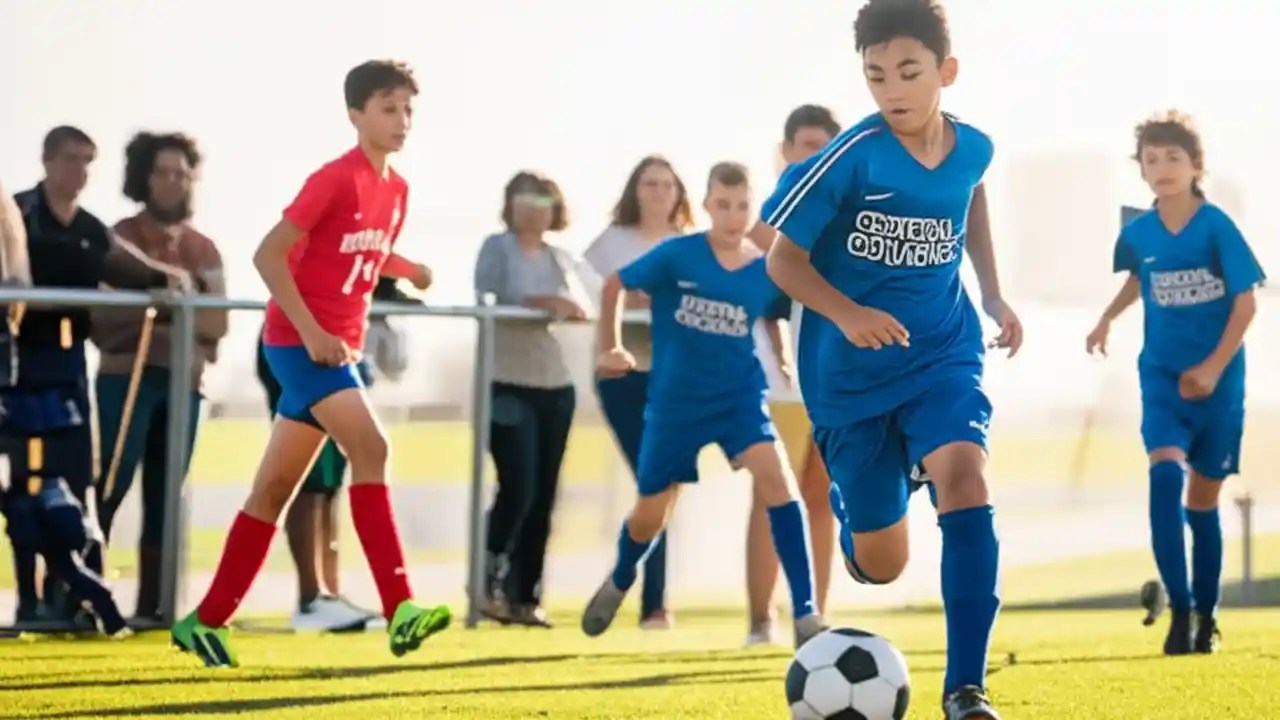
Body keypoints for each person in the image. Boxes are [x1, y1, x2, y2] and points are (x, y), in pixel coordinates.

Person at [760, 2, 1022, 717]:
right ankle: (867, 507)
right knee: (882, 565)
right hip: (848, 381)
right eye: (875, 76)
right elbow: (782, 261)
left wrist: (993, 294)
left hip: (943, 352)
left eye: (908, 72)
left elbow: (971, 198)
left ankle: (966, 689)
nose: (892, 90)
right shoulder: (851, 157)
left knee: (967, 479)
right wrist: (847, 313)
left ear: (947, 71)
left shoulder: (973, 148)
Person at [170, 59, 449, 668]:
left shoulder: (396, 190)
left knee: (273, 489)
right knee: (371, 450)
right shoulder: (334, 178)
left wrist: (410, 269)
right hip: (300, 346)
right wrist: (313, 331)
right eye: (387, 108)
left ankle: (204, 620)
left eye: (407, 110)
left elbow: (364, 252)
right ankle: (402, 606)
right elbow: (270, 255)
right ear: (355, 115)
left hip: (335, 346)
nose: (401, 121)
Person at [581, 162, 826, 649]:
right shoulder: (678, 256)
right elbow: (615, 284)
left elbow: (783, 312)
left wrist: (787, 358)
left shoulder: (764, 268)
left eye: (742, 206)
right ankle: (623, 575)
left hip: (739, 400)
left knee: (780, 485)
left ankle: (805, 613)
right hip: (677, 405)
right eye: (723, 205)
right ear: (707, 205)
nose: (733, 216)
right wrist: (610, 346)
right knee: (653, 510)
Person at [1086, 111, 1264, 656]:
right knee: (1164, 475)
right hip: (1162, 377)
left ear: (1195, 166)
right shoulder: (1138, 231)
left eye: (1173, 157)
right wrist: (1106, 319)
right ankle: (1180, 609)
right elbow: (1139, 277)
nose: (1162, 167)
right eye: (1152, 158)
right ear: (1140, 169)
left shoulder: (1217, 227)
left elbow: (1247, 301)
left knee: (1202, 503)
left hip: (1218, 386)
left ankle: (1207, 616)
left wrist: (1211, 369)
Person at [9, 127, 183, 626]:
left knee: (76, 482)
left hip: (68, 364)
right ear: (46, 161)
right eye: (70, 159)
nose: (78, 171)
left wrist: (168, 282)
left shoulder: (90, 227)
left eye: (87, 161)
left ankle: (74, 597)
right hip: (20, 364)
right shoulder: (18, 216)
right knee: (24, 486)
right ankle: (28, 601)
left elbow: (128, 267)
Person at [92, 131, 228, 626]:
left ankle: (157, 605)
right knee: (107, 485)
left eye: (181, 173)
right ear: (143, 177)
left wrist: (160, 310)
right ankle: (88, 596)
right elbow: (105, 324)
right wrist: (170, 310)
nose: (172, 182)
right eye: (162, 172)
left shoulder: (204, 247)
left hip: (184, 386)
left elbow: (215, 325)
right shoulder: (118, 237)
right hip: (122, 380)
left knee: (168, 493)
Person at [256, 275, 418, 634]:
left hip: (337, 347)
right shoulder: (328, 242)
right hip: (307, 347)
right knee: (307, 479)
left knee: (330, 482)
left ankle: (329, 592)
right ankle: (311, 598)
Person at [744, 104, 842, 646]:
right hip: (773, 378)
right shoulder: (769, 218)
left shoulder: (843, 214)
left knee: (821, 494)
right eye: (804, 145)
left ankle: (814, 617)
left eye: (822, 147)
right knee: (773, 493)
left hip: (828, 377)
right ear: (785, 152)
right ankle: (761, 619)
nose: (812, 156)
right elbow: (769, 279)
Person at [582, 156, 693, 629]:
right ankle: (650, 602)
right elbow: (600, 292)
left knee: (667, 487)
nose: (658, 192)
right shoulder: (611, 243)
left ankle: (640, 585)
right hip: (624, 377)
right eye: (649, 183)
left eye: (667, 184)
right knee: (655, 480)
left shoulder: (690, 244)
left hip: (677, 379)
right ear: (635, 190)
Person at [474, 171, 588, 629]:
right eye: (523, 196)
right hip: (506, 381)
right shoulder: (495, 248)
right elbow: (491, 294)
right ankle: (486, 577)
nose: (533, 205)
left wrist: (558, 304)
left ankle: (525, 597)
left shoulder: (561, 256)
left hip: (554, 384)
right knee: (517, 485)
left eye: (542, 197)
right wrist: (546, 302)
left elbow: (579, 304)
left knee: (544, 493)